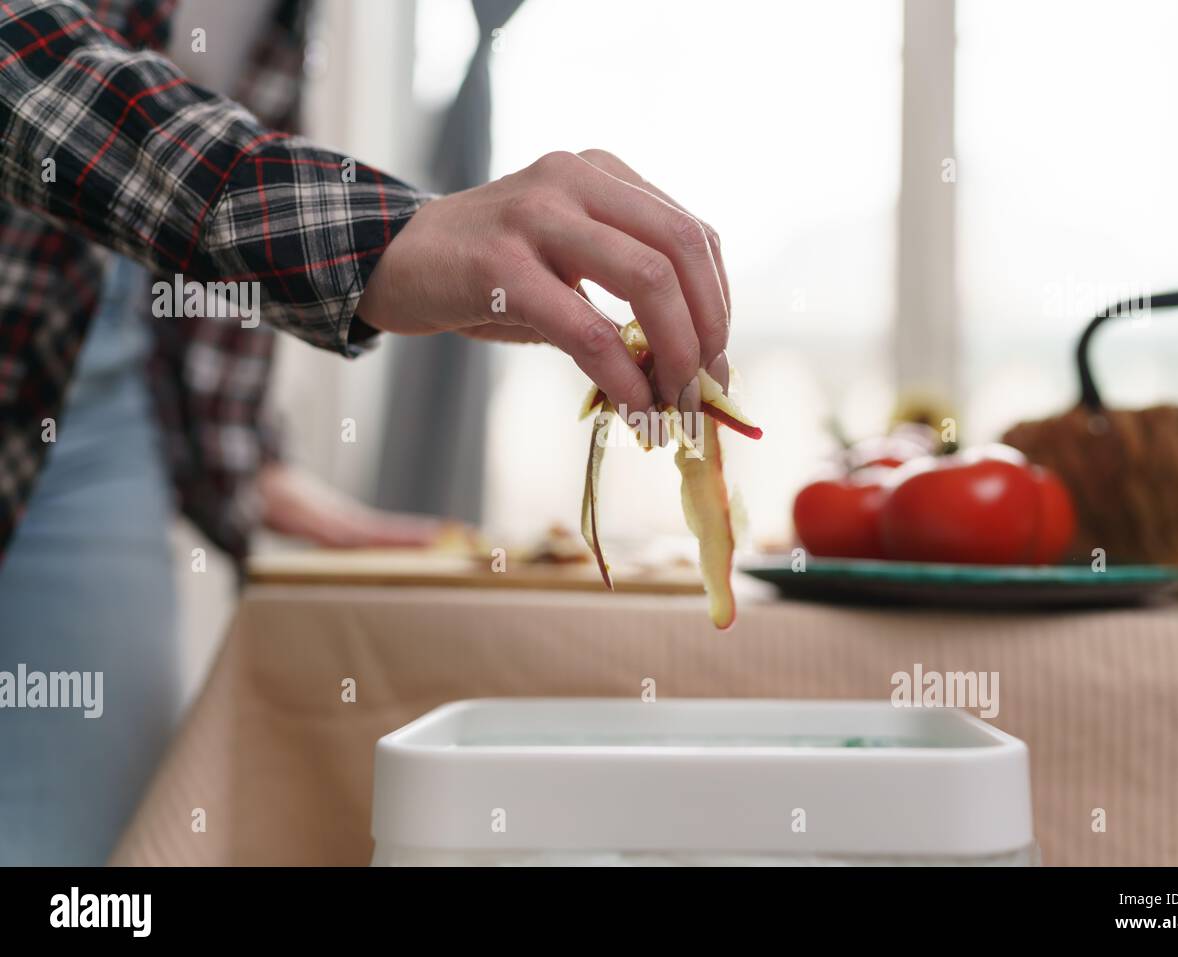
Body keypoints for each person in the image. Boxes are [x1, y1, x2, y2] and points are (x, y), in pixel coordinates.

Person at [0, 0, 731, 864]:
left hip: (101, 406)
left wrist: (240, 464)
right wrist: (389, 234)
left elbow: (159, 232)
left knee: (90, 864)